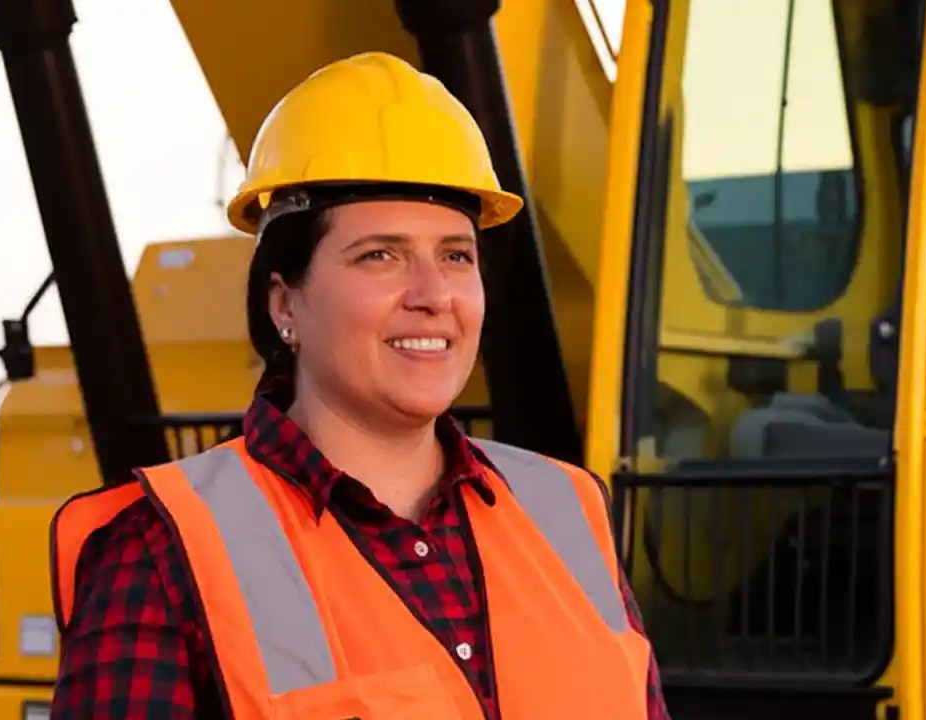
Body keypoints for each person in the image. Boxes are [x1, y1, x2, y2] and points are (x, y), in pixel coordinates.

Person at [47, 51, 671, 719]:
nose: (435, 296)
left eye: (456, 256)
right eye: (381, 255)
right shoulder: (165, 551)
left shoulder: (567, 510)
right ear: (283, 305)